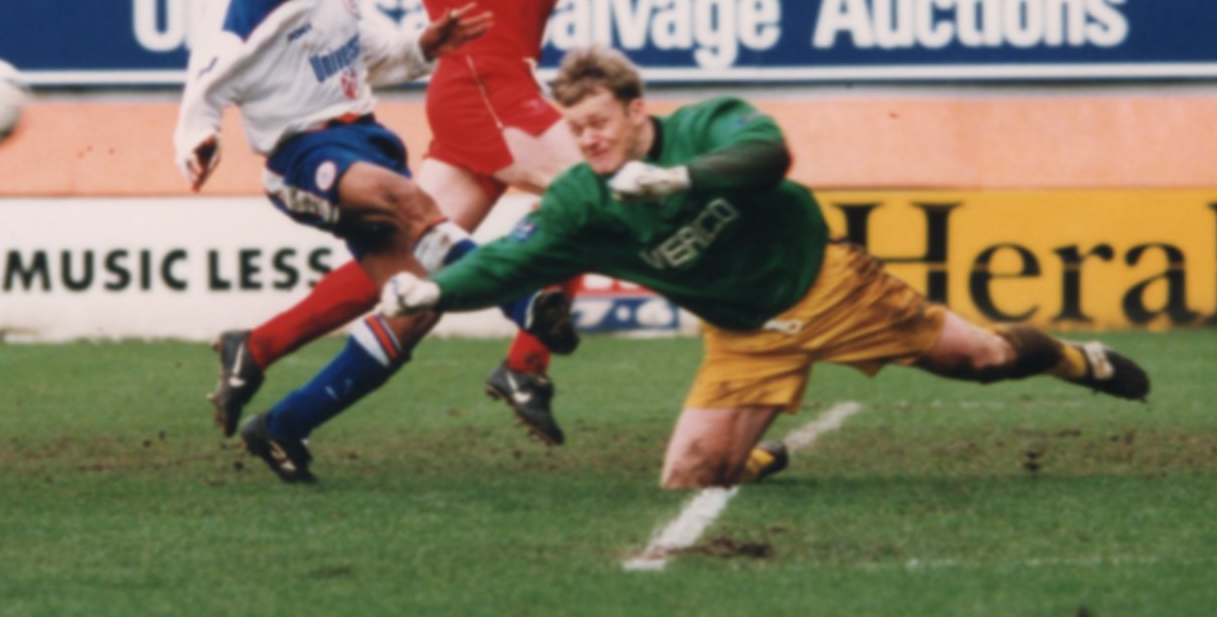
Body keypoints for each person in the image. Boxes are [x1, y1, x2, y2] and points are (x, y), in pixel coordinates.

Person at [381, 48, 1150, 489]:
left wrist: (684, 179)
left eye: (599, 123)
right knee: (686, 477)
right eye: (574, 128)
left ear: (638, 110)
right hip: (745, 334)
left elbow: (768, 153)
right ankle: (746, 453)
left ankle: (1071, 358)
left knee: (982, 360)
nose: (586, 140)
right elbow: (513, 260)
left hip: (830, 286)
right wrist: (434, 288)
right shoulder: (584, 200)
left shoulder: (704, 125)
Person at [211, 0, 619, 448]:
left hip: (508, 89)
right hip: (473, 87)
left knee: (411, 279)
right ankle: (525, 364)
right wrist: (289, 45)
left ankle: (267, 379)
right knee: (589, 189)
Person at [175, 0, 547, 481]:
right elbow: (201, 93)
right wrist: (198, 140)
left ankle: (283, 427)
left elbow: (368, 49)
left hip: (364, 142)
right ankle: (521, 302)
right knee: (410, 199)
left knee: (417, 308)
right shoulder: (238, 8)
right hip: (302, 156)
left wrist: (425, 45)